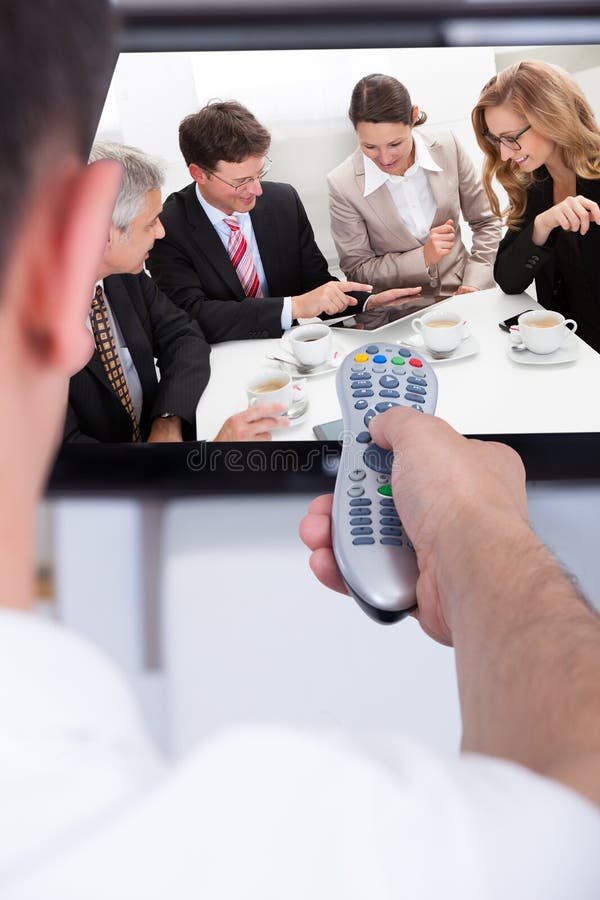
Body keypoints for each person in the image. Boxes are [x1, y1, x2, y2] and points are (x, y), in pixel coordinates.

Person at [2, 5, 600, 894]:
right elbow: (580, 789)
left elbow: (232, 313)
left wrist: (171, 431)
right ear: (78, 247)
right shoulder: (338, 844)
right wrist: (479, 528)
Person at [66, 141, 289, 443]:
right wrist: (202, 457)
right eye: (150, 223)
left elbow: (184, 336)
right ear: (104, 235)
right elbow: (65, 456)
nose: (161, 232)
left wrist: (168, 419)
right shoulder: (23, 332)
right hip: (108, 482)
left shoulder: (123, 276)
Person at [146, 100, 422, 343]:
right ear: (199, 174)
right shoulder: (166, 227)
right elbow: (192, 315)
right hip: (219, 359)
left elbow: (315, 285)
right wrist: (293, 307)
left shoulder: (282, 201)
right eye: (241, 182)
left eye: (259, 174)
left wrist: (366, 303)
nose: (256, 190)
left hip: (290, 352)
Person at [327, 73, 502, 297]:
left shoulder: (448, 146)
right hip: (397, 311)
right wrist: (422, 257)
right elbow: (357, 271)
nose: (385, 158)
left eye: (395, 143)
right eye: (370, 146)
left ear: (414, 116)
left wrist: (475, 282)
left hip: (462, 295)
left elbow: (486, 223)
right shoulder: (342, 184)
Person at [472, 59, 600, 353]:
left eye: (511, 138)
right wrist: (542, 225)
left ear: (552, 116)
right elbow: (508, 279)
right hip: (571, 351)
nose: (504, 154)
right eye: (497, 140)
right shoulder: (536, 185)